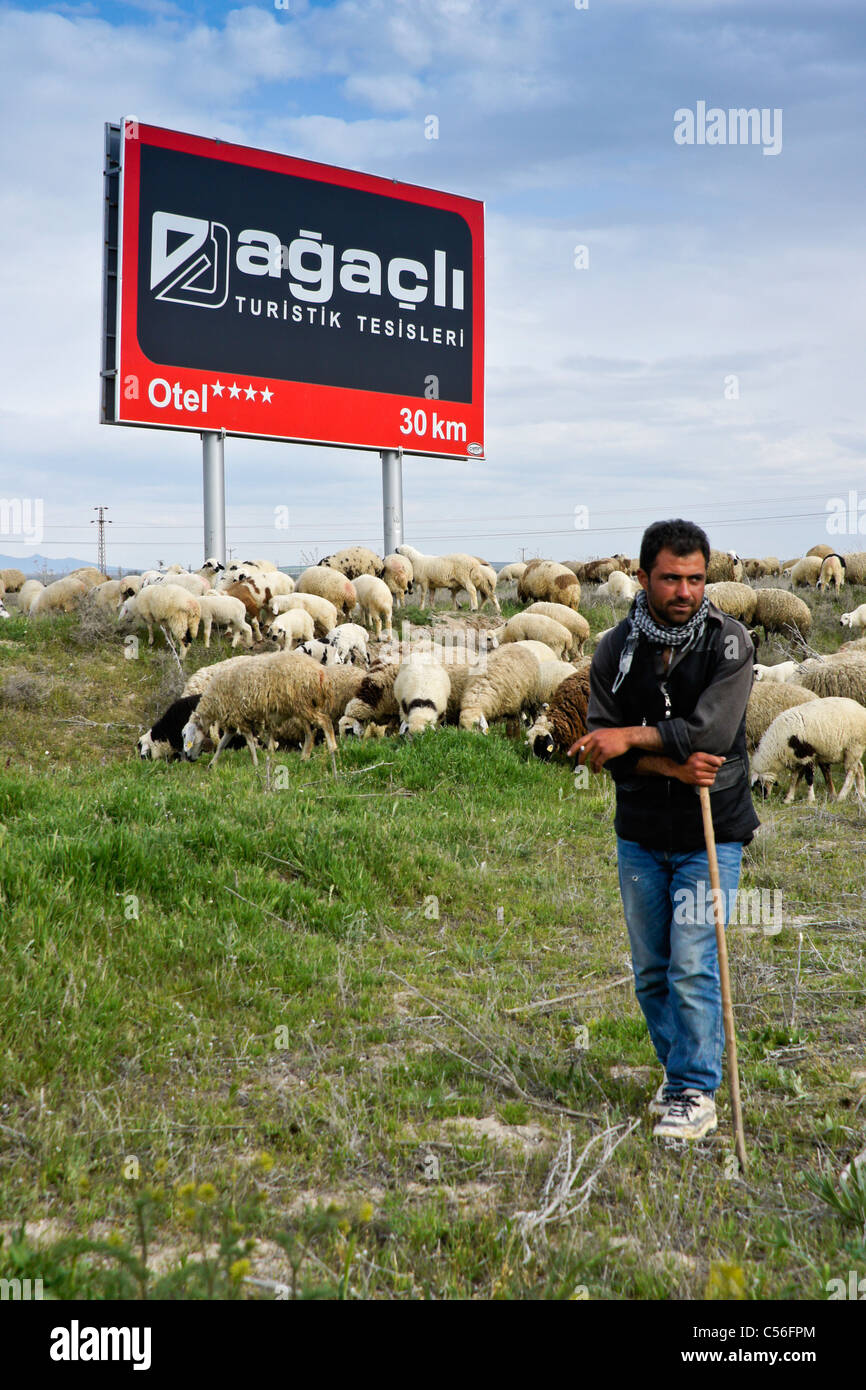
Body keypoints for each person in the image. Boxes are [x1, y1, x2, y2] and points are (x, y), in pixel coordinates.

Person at [569, 520, 759, 1140]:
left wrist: (632, 737)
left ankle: (695, 1089)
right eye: (672, 578)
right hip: (643, 832)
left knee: (692, 962)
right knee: (651, 967)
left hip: (714, 830)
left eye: (696, 578)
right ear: (646, 575)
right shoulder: (613, 649)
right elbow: (601, 748)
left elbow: (713, 734)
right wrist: (660, 759)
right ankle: (678, 1072)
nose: (685, 591)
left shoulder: (729, 642)